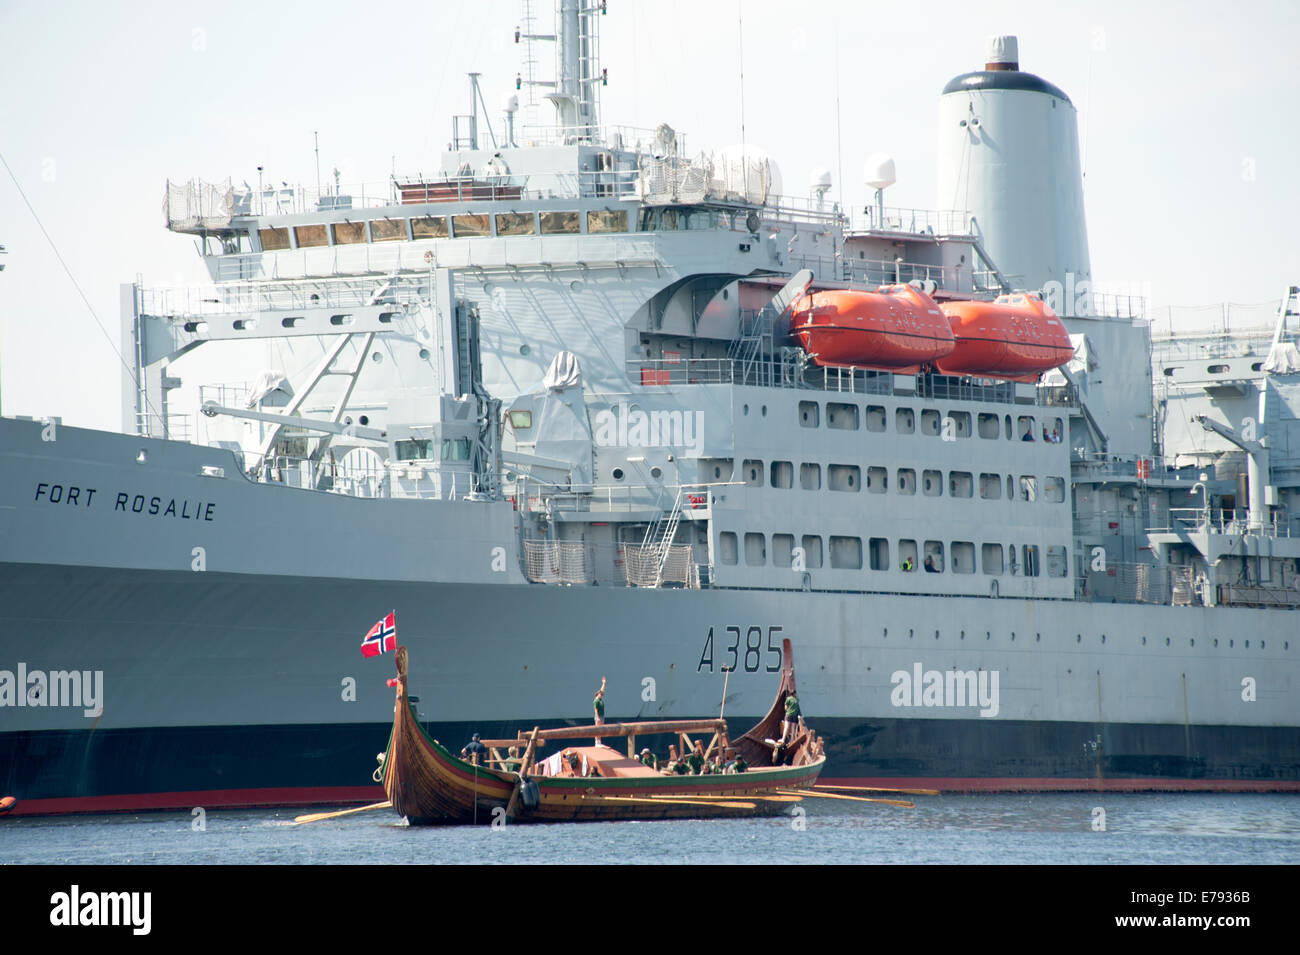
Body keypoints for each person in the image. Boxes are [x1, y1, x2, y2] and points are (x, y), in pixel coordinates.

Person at [593, 676, 606, 743]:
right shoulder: (596, 700)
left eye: (601, 694)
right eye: (600, 694)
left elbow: (602, 690)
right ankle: (596, 741)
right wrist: (597, 718)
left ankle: (599, 741)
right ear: (597, 695)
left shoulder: (600, 699)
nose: (601, 695)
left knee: (601, 729)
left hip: (602, 715)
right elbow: (595, 710)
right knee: (597, 729)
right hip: (598, 716)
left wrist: (603, 683)